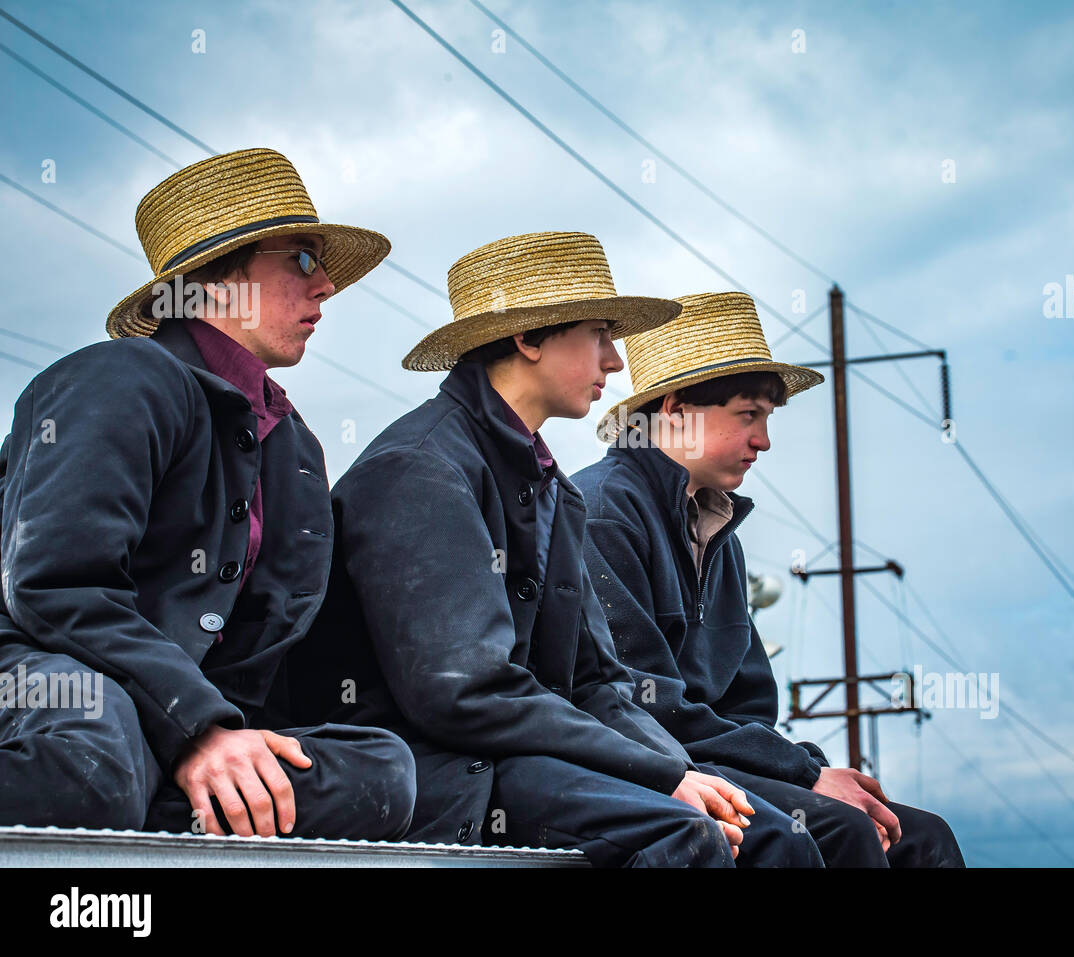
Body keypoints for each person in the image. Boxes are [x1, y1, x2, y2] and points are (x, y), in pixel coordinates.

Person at [292, 232, 824, 866]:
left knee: (767, 832)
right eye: (600, 334)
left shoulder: (554, 492)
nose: (616, 362)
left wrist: (677, 770)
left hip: (510, 757)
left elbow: (595, 681)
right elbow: (464, 691)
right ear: (529, 338)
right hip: (433, 771)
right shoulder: (419, 468)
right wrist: (661, 779)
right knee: (683, 833)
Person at [0, 148, 416, 841]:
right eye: (304, 261)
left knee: (385, 772)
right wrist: (200, 724)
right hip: (46, 677)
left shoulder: (296, 448)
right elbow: (53, 588)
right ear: (218, 284)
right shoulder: (116, 379)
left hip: (168, 720)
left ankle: (142, 805)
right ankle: (118, 790)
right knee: (94, 754)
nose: (328, 287)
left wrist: (233, 738)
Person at [573, 291, 966, 867]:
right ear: (676, 408)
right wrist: (805, 776)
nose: (763, 440)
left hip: (713, 759)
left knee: (923, 837)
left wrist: (804, 770)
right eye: (747, 416)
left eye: (766, 419)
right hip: (643, 761)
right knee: (837, 830)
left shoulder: (713, 526)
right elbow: (634, 700)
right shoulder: (604, 511)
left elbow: (748, 702)